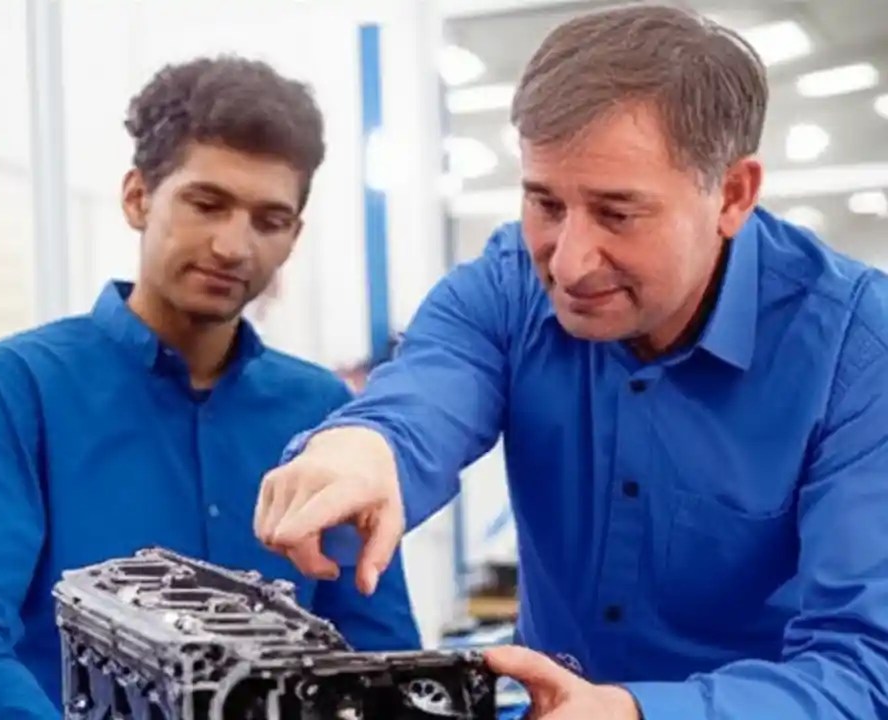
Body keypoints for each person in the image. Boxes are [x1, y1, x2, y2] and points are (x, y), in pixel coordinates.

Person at [254, 6, 888, 720]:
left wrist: (634, 712)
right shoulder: (508, 285)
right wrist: (361, 449)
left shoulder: (858, 352)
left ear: (732, 195)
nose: (571, 261)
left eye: (617, 214)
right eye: (545, 202)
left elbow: (866, 670)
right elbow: (427, 392)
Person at [0, 56, 421, 719]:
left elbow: (380, 655)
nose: (233, 245)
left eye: (268, 219)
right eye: (207, 204)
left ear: (294, 235)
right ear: (138, 196)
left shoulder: (324, 414)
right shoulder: (19, 386)